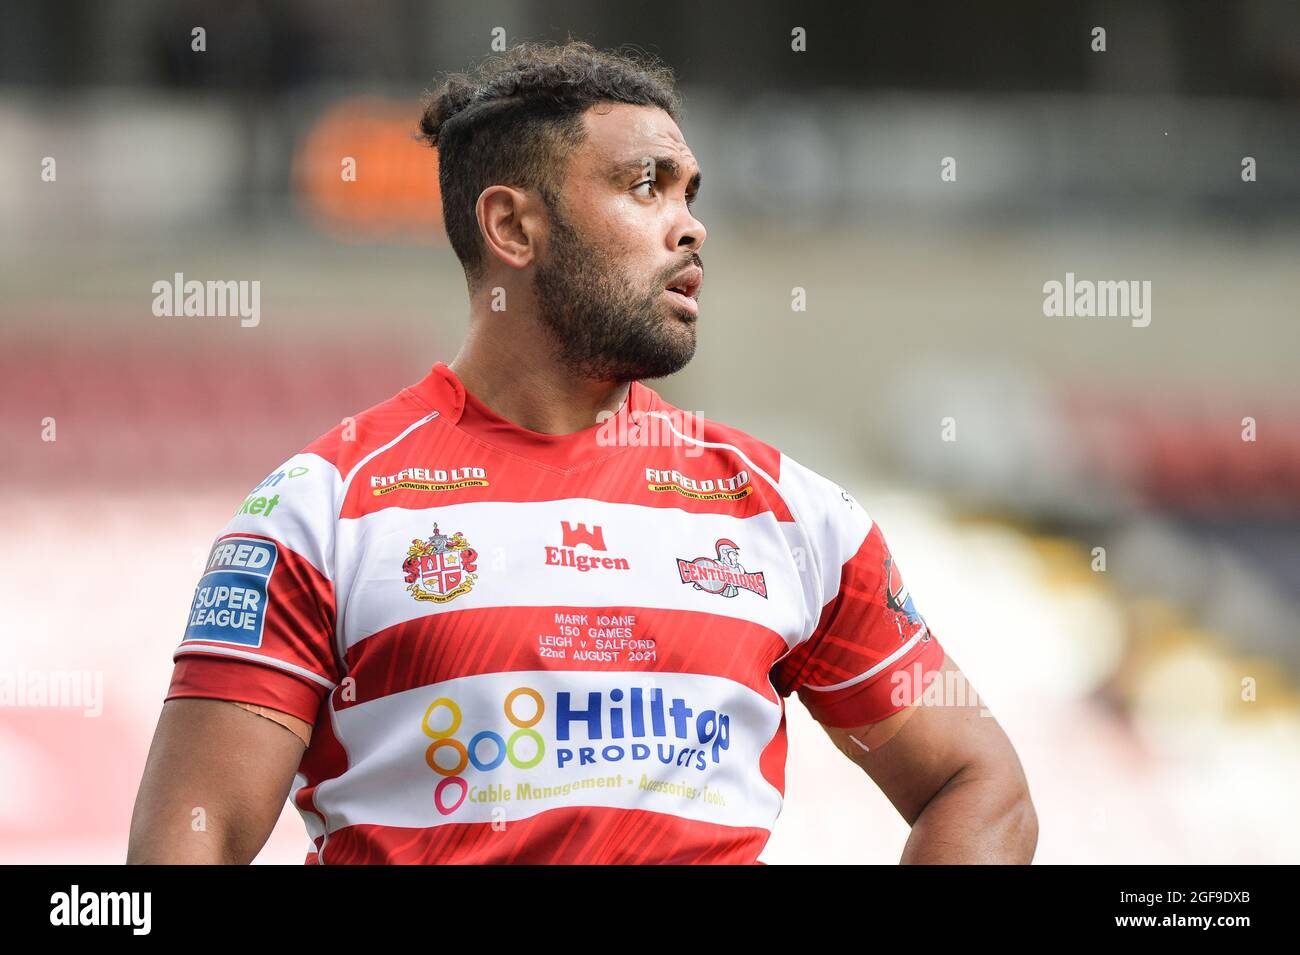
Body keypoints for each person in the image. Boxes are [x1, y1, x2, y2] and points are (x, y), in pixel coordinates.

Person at [128, 40, 1036, 864]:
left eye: (690, 192)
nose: (689, 226)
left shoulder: (792, 515)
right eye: (647, 185)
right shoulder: (318, 513)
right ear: (513, 228)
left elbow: (979, 785)